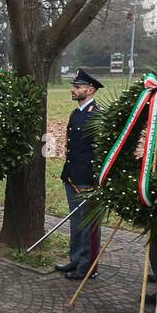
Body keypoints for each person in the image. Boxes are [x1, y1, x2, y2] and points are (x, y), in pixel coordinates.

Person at [57, 69, 104, 280]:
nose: (73, 90)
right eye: (74, 86)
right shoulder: (77, 113)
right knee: (76, 222)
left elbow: (101, 150)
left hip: (88, 179)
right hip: (73, 176)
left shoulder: (98, 114)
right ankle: (76, 260)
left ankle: (88, 267)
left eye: (77, 87)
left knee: (89, 226)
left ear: (90, 89)